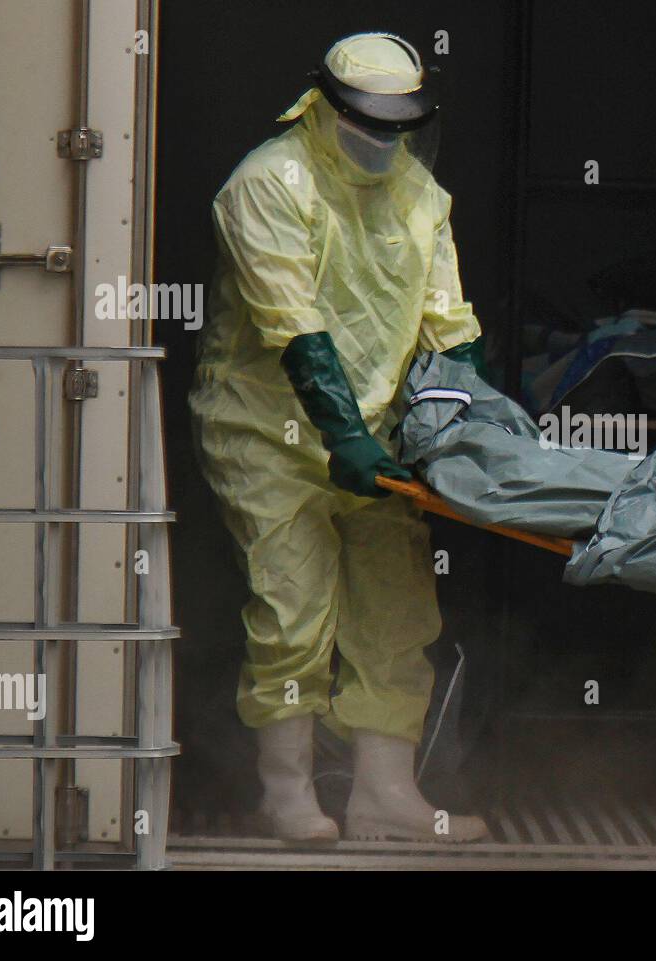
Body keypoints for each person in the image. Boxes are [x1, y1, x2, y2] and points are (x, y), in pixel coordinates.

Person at [189, 32, 489, 843]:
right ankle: (286, 793)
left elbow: (449, 325)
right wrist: (341, 435)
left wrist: (469, 422)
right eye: (373, 126)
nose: (387, 142)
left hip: (377, 441)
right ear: (324, 108)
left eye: (403, 126)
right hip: (266, 429)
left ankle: (384, 793)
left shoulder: (419, 194)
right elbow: (297, 330)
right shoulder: (268, 183)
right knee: (294, 608)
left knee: (396, 610)